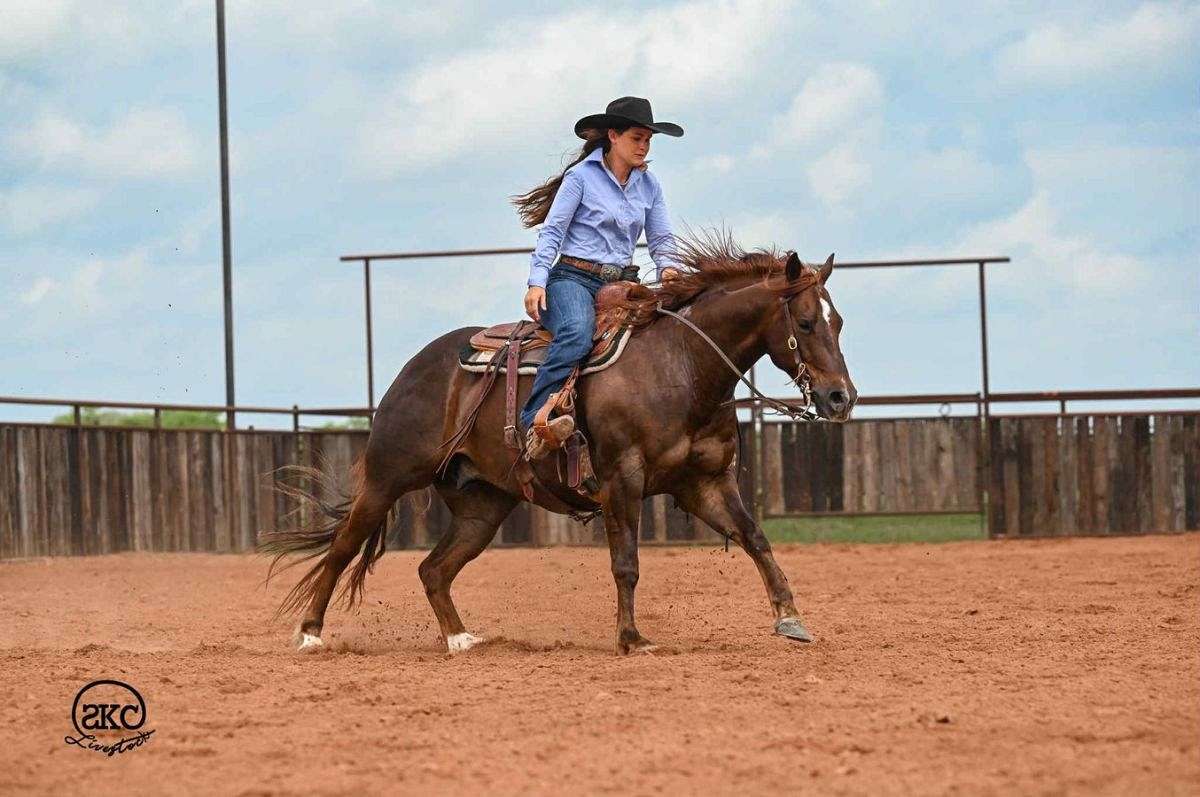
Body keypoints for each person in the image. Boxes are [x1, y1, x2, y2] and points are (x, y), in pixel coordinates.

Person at [510, 96, 684, 461]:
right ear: (613, 136)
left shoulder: (649, 186)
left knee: (664, 337)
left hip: (622, 284)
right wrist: (537, 281)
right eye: (637, 137)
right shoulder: (581, 178)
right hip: (573, 278)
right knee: (576, 333)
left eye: (648, 140)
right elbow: (553, 232)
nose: (644, 146)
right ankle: (533, 422)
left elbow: (662, 238)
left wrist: (668, 267)